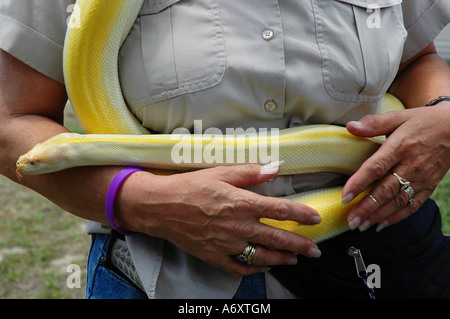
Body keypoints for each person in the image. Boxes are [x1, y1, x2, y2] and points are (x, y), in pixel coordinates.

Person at [0, 0, 449, 299]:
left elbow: (415, 61)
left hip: (378, 262)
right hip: (170, 277)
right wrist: (143, 200)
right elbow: (9, 122)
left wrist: (443, 117)